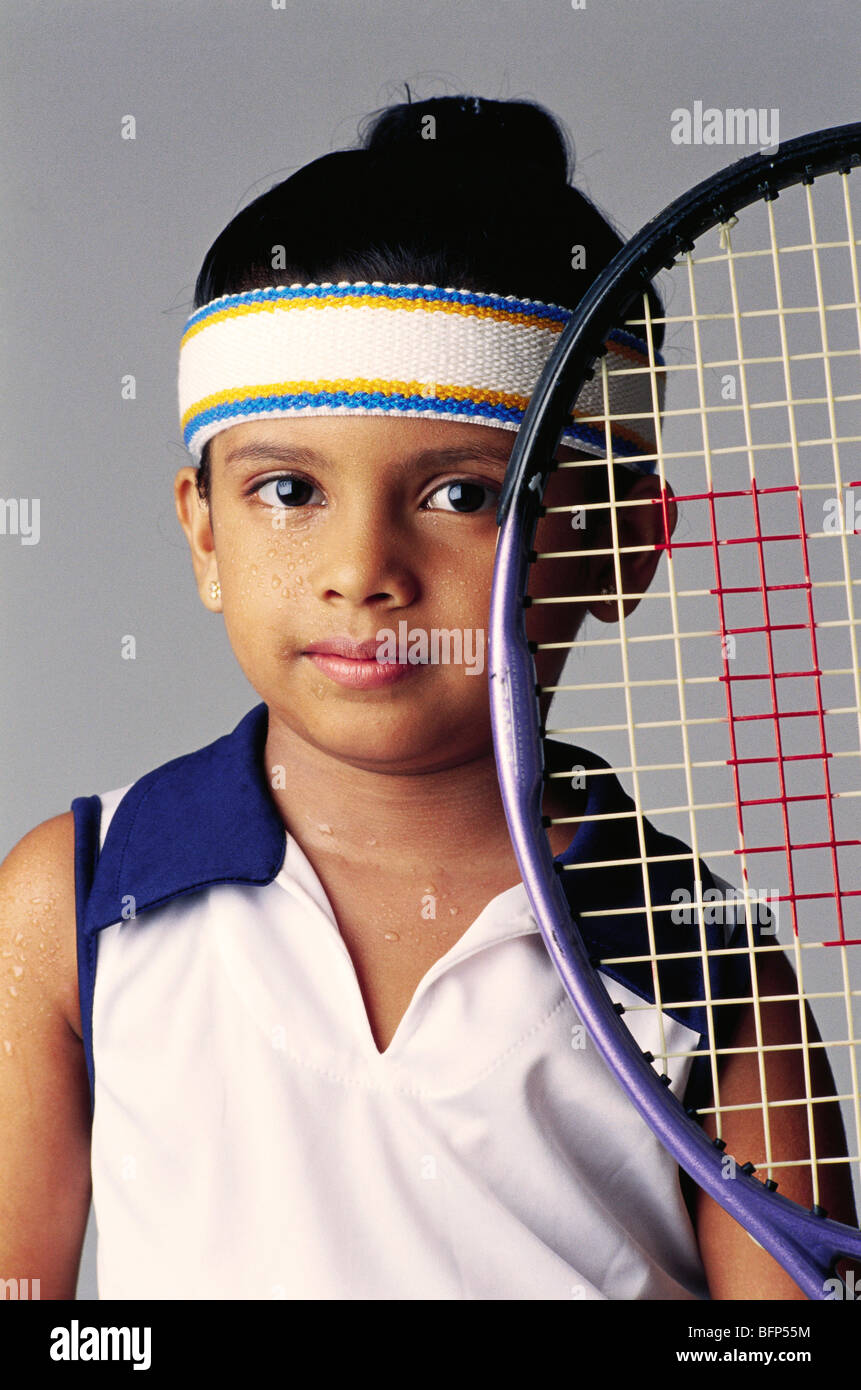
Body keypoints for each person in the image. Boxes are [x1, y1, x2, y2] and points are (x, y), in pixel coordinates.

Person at [0, 93, 852, 1301]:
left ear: (625, 543)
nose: (363, 570)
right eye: (289, 490)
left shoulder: (708, 961)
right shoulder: (74, 897)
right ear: (200, 531)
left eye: (463, 495)